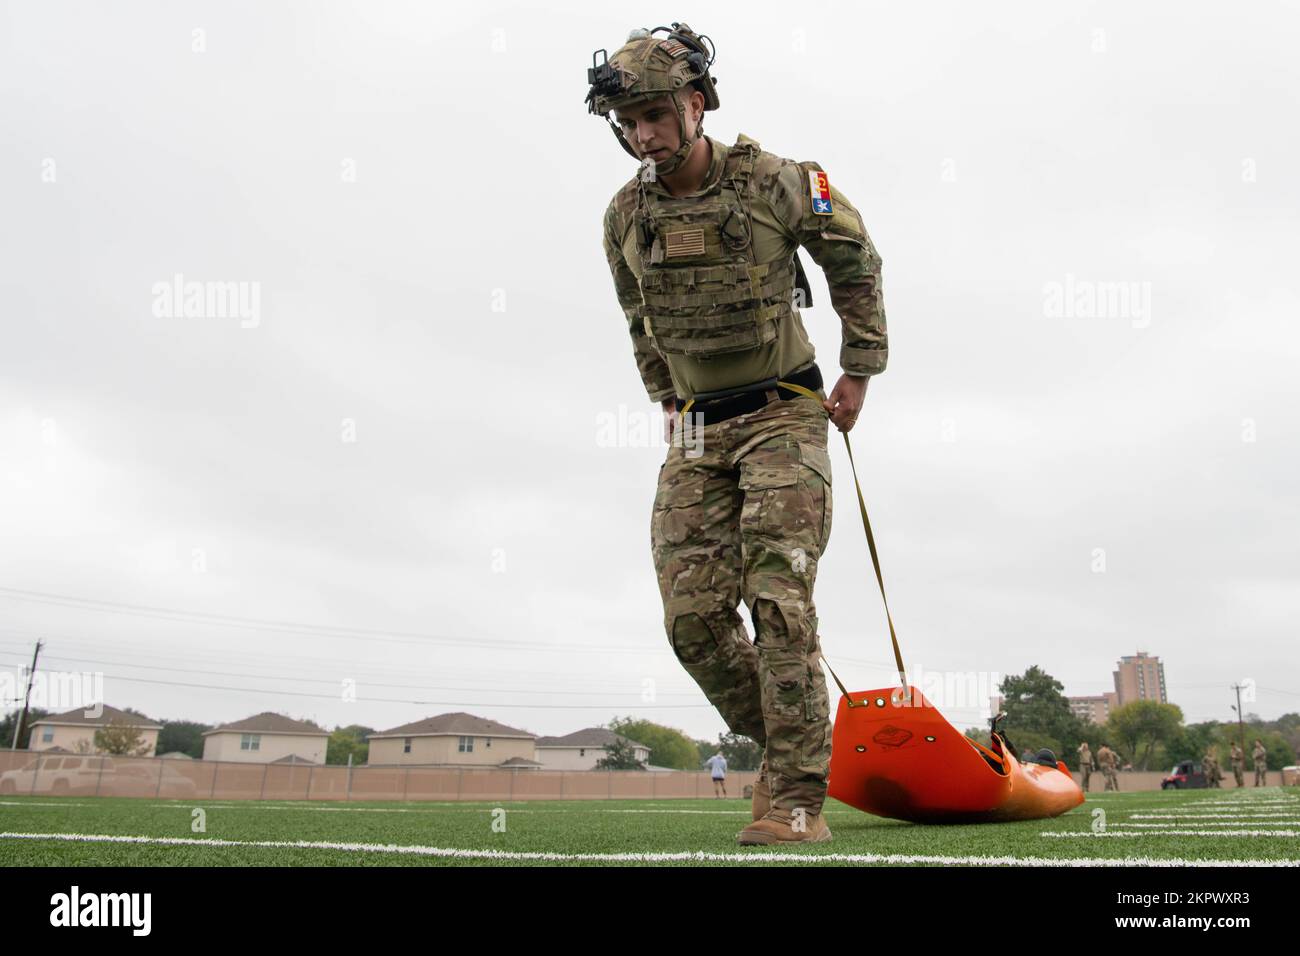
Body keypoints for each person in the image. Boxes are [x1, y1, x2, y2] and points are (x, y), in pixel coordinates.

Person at [590, 23, 888, 846]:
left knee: (778, 600)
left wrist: (858, 370)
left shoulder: (778, 181)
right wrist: (665, 402)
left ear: (695, 103)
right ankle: (800, 744)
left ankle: (796, 800)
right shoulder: (623, 215)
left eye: (654, 114)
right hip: (694, 433)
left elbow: (853, 258)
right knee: (692, 623)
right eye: (628, 122)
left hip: (785, 412)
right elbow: (638, 321)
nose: (643, 135)